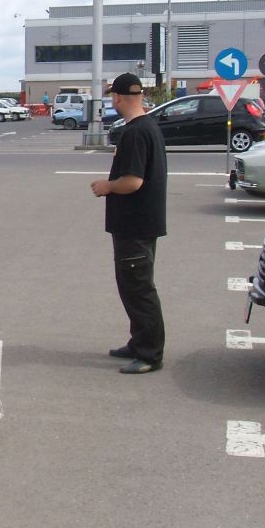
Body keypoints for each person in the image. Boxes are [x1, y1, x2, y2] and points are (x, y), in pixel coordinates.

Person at [90, 73, 168, 374]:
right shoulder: (149, 126)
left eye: (113, 96)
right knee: (134, 286)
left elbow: (133, 181)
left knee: (138, 289)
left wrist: (107, 186)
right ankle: (138, 343)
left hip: (134, 224)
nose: (112, 100)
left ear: (119, 97)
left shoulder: (135, 133)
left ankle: (149, 354)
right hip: (142, 222)